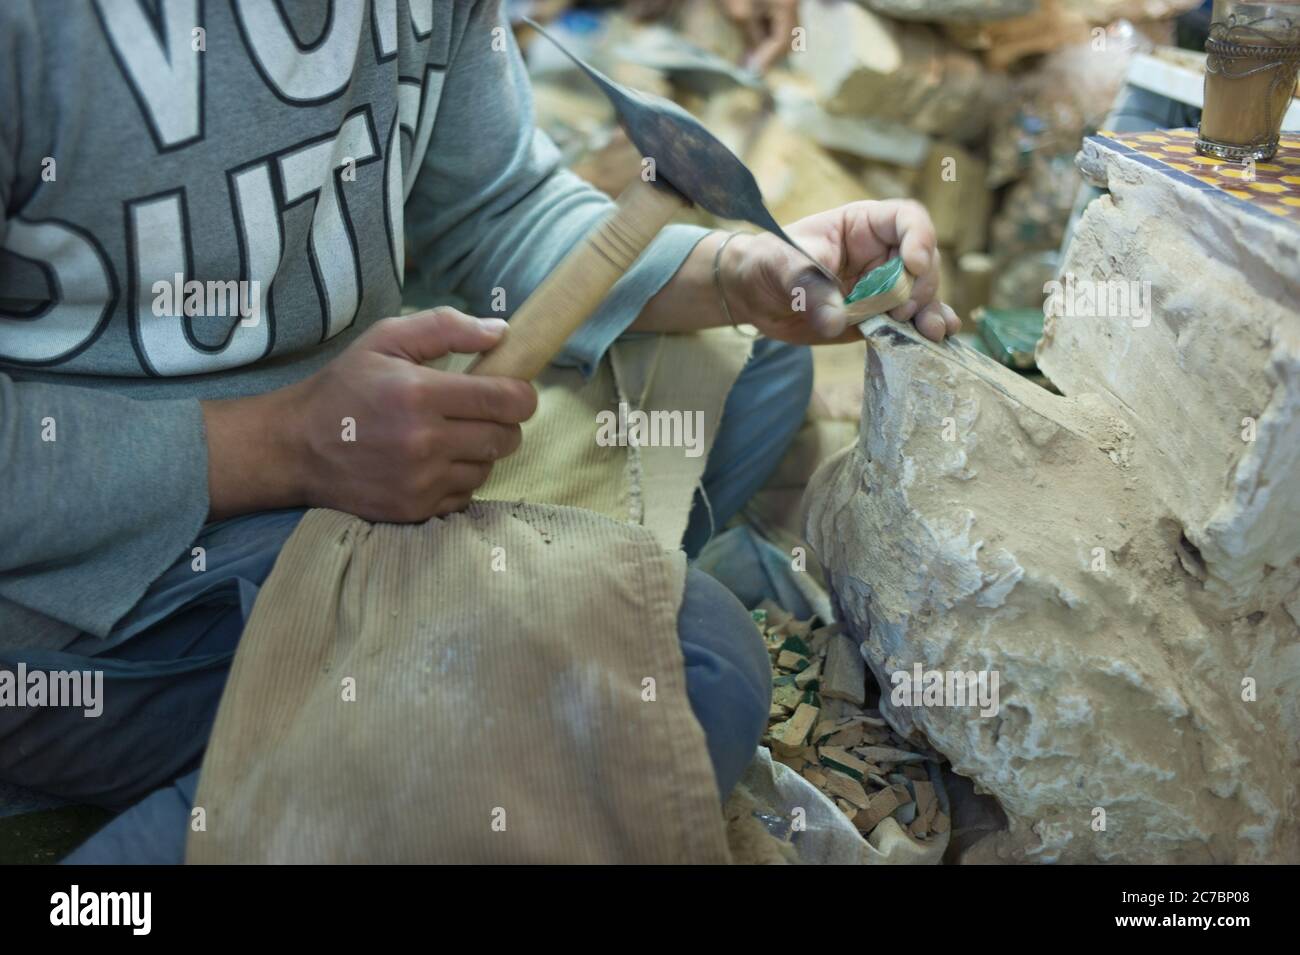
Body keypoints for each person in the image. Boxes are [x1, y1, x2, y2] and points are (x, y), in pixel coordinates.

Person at [0, 0, 956, 862]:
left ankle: (376, 694)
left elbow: (491, 205)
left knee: (748, 359)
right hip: (83, 578)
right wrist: (285, 440)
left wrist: (736, 272)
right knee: (674, 660)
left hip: (340, 465)